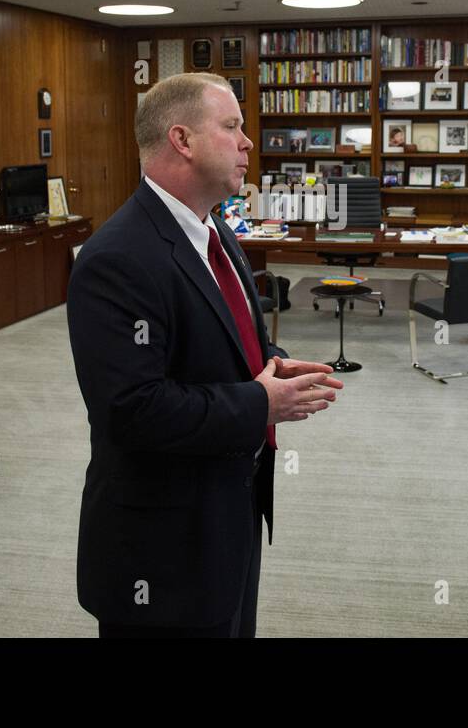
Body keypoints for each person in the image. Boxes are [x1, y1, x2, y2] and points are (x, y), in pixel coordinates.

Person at [68, 71, 343, 638]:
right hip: (162, 550)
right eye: (232, 126)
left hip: (228, 516)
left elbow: (234, 336)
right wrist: (258, 402)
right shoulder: (116, 258)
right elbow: (132, 410)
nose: (247, 142)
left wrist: (273, 362)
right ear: (182, 140)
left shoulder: (212, 228)